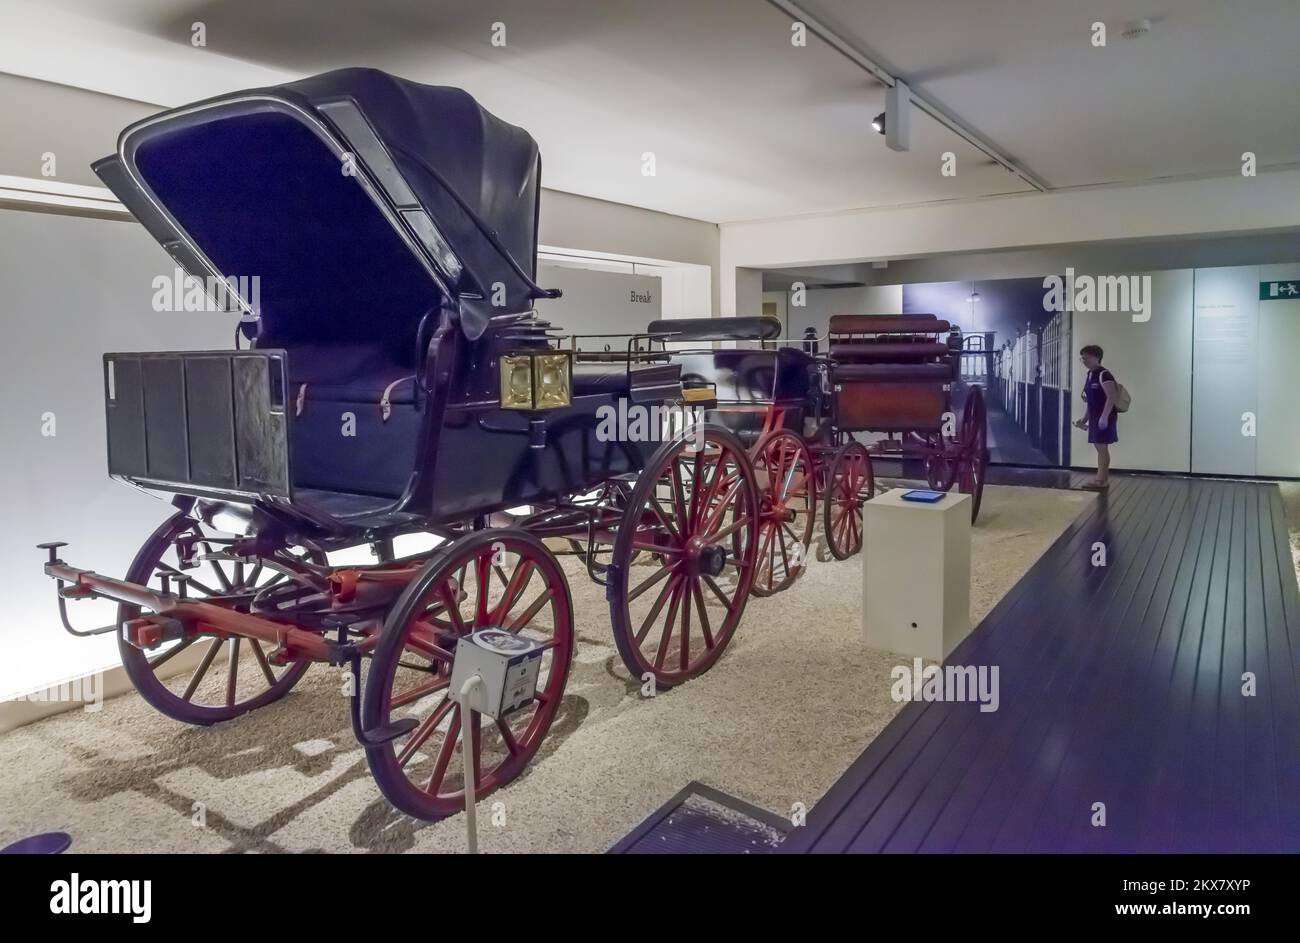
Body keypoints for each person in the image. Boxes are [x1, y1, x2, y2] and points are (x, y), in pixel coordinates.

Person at [1073, 344, 1117, 489]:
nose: (1085, 360)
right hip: (1094, 416)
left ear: (1097, 357)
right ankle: (1102, 479)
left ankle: (1100, 480)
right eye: (1083, 358)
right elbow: (1090, 401)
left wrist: (1104, 417)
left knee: (1101, 447)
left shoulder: (1104, 374)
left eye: (1087, 357)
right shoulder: (1090, 374)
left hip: (1104, 417)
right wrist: (1084, 419)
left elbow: (1111, 397)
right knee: (1100, 447)